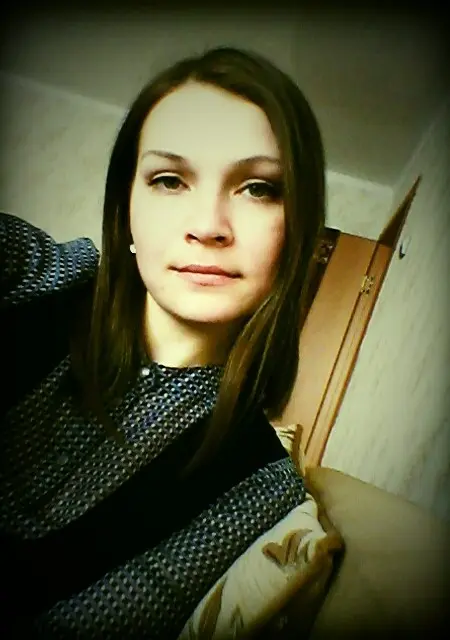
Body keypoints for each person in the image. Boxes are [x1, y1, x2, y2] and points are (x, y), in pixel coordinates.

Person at [0, 46, 325, 638]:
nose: (208, 226)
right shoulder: (30, 274)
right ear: (126, 209)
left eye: (258, 188)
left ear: (297, 230)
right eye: (169, 180)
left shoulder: (258, 489)